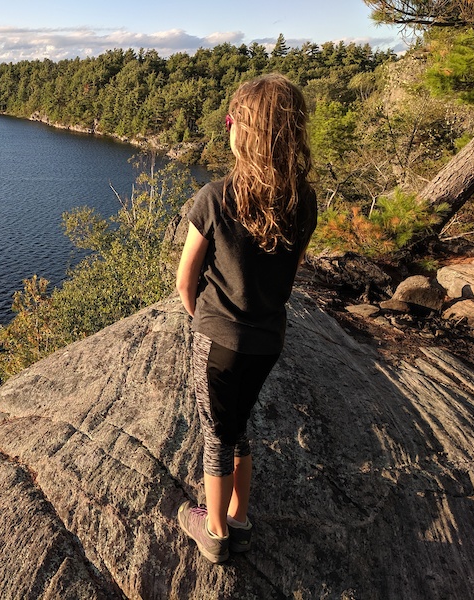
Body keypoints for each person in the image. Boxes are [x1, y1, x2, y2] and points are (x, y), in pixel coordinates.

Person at [175, 73, 317, 564]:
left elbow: (185, 280)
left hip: (218, 341)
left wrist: (204, 320)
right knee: (239, 425)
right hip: (267, 340)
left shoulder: (215, 196)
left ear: (242, 131)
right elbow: (290, 272)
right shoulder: (303, 200)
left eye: (231, 120)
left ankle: (213, 532)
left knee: (215, 434)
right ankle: (239, 519)